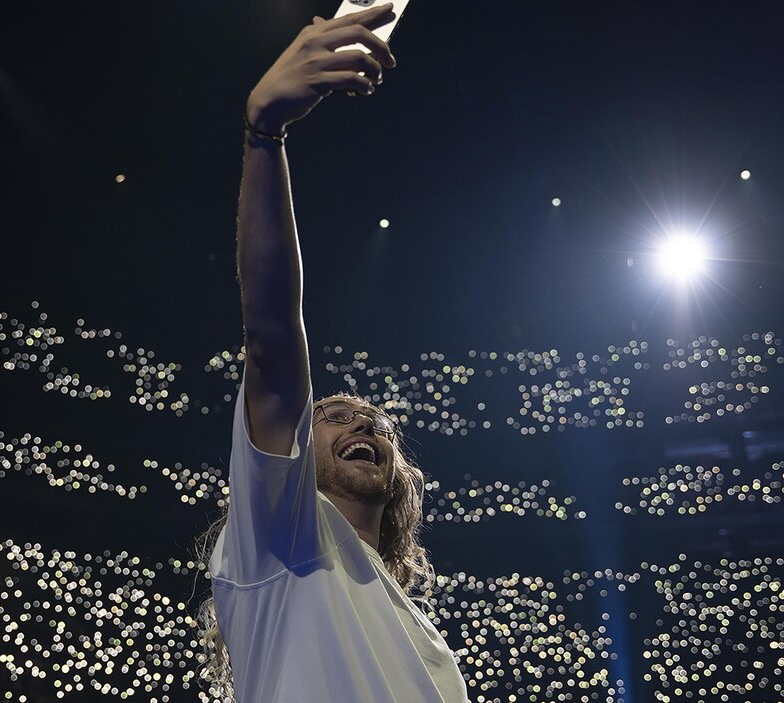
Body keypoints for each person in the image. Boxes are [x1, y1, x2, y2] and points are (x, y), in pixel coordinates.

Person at [195, 4, 470, 701]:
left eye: (377, 423)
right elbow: (274, 341)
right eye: (337, 414)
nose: (366, 426)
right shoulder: (283, 533)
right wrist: (265, 135)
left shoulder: (428, 644)